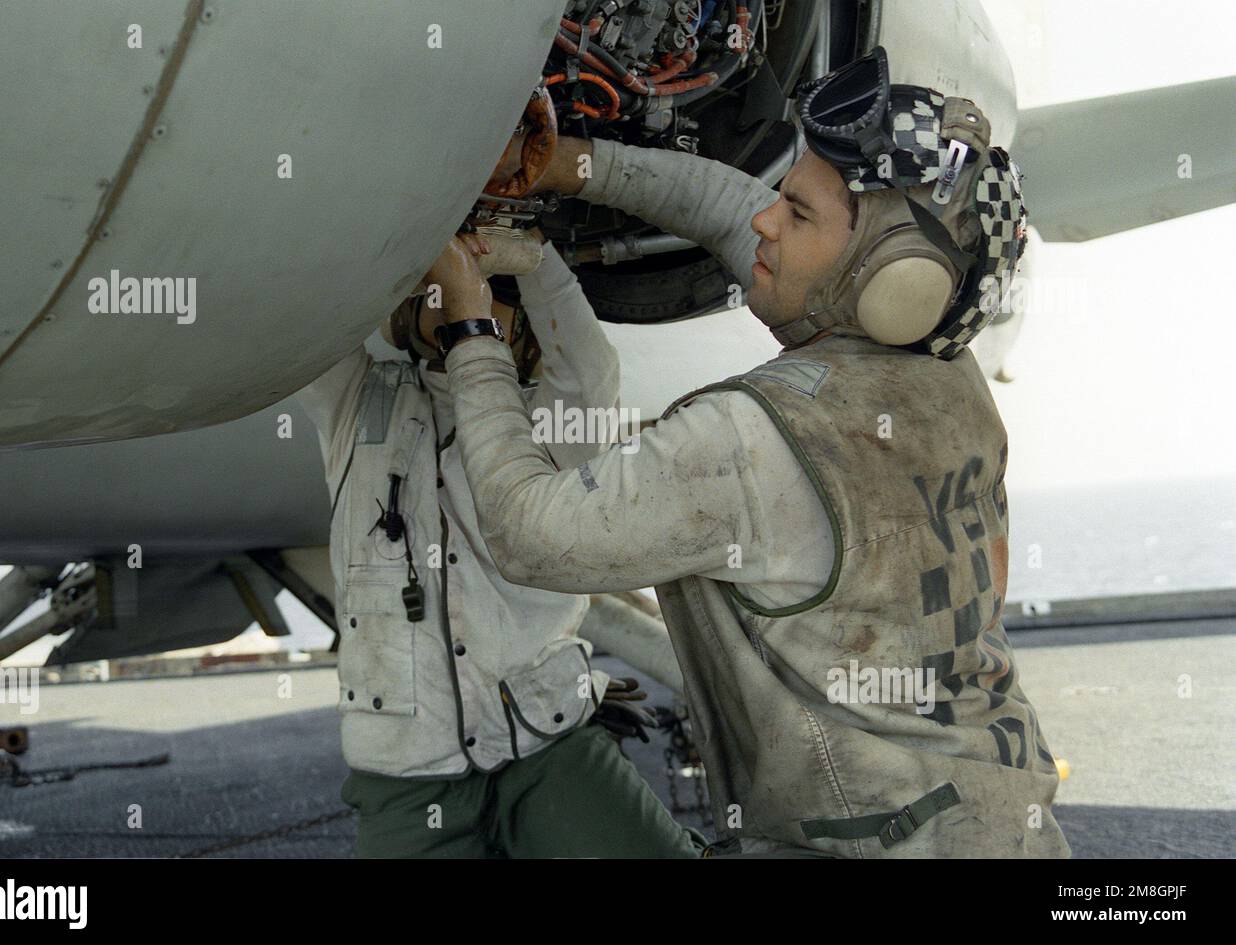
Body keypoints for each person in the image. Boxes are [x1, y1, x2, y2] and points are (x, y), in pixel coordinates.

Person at [424, 47, 1071, 858]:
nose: (765, 220)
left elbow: (528, 530)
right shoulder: (947, 382)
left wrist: (470, 328)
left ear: (892, 279)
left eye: (797, 216)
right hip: (1000, 820)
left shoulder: (758, 439)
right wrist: (570, 164)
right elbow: (733, 208)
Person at [297, 219, 705, 858]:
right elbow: (307, 318)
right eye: (439, 293)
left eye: (491, 300)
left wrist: (522, 251)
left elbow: (589, 364)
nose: (456, 302)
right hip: (406, 765)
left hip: (542, 740)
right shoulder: (359, 404)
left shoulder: (551, 421)